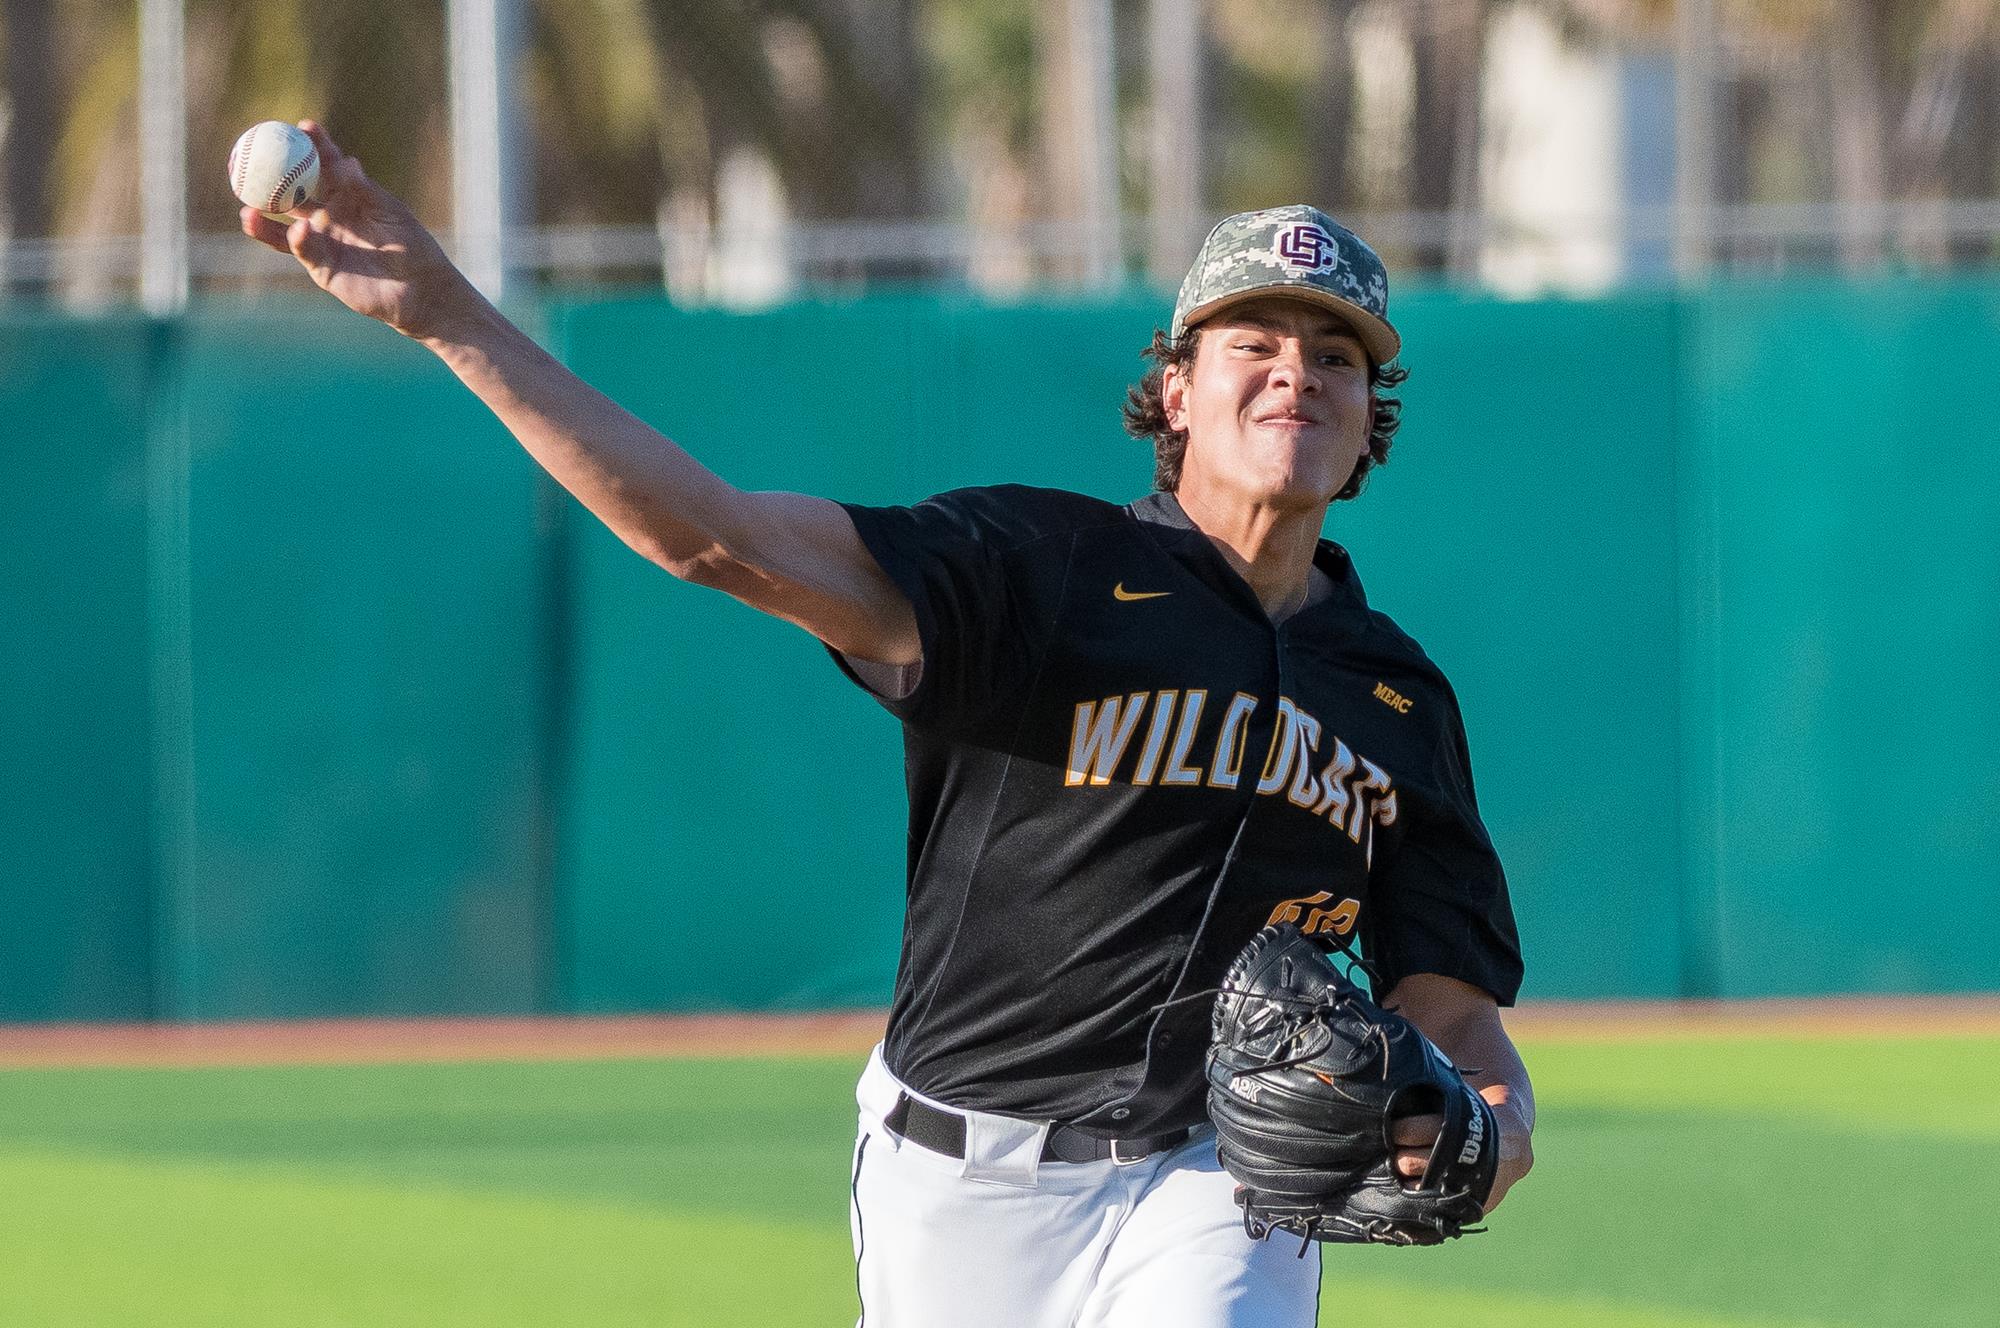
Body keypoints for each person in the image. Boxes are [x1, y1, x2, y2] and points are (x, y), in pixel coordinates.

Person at [242, 122, 1535, 1328]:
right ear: (1179, 390)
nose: (1296, 372)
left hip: (1220, 1180)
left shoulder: (1396, 696)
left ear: (1370, 422)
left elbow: (1453, 1004)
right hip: (964, 1177)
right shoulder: (1041, 570)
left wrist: (1494, 1120)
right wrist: (447, 313)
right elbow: (714, 539)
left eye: (1335, 356)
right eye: (1253, 341)